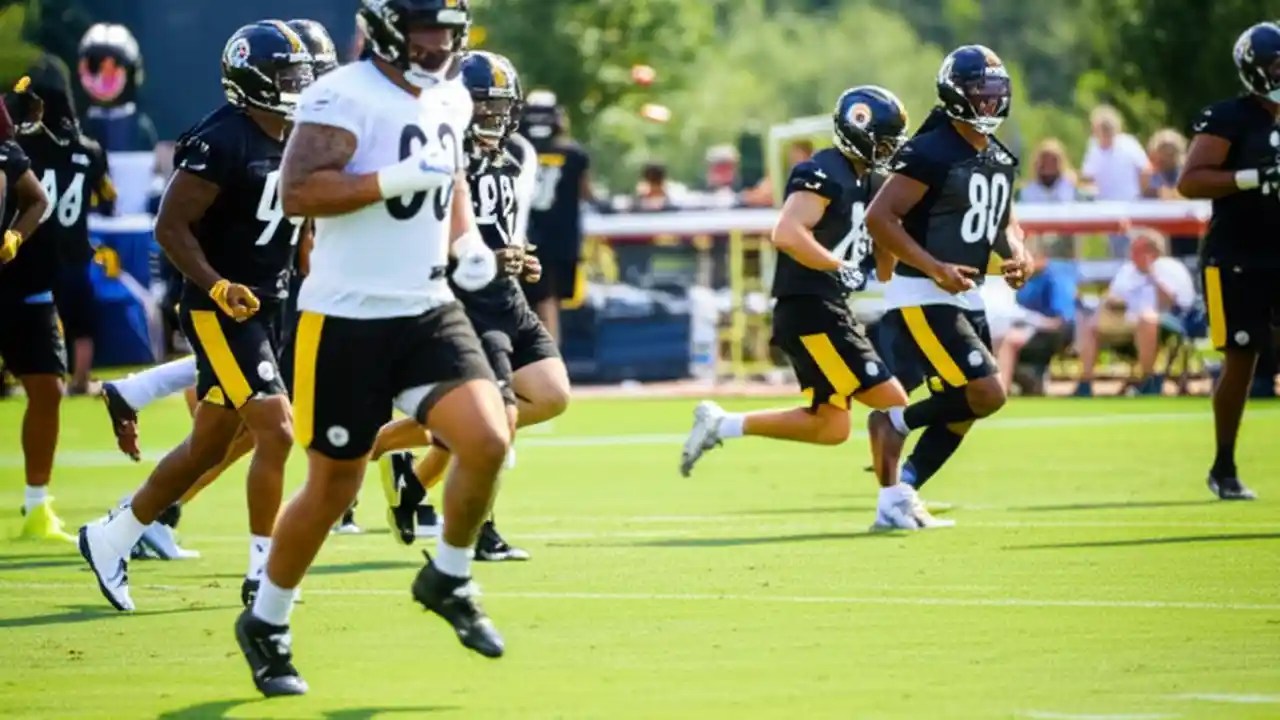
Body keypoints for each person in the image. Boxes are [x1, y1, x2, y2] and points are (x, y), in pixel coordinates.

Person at [234, 0, 510, 697]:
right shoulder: (340, 93)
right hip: (346, 316)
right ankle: (267, 622)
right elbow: (299, 191)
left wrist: (468, 244)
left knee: (487, 438)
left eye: (449, 30)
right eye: (426, 29)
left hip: (426, 305)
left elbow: (446, 185)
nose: (440, 43)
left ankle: (447, 575)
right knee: (335, 485)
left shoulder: (449, 92)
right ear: (388, 29)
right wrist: (390, 181)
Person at [77, 21, 316, 611]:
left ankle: (113, 535)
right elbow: (170, 226)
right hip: (221, 306)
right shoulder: (223, 139)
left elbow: (300, 227)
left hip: (271, 303)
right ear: (251, 78)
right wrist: (217, 283)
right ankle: (264, 570)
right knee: (276, 430)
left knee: (210, 447)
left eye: (299, 75)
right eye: (285, 76)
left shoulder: (297, 135)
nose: (297, 85)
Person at [680, 86, 937, 530]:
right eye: (883, 140)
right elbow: (787, 231)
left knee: (831, 427)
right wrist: (838, 265)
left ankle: (721, 424)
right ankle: (895, 499)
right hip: (809, 308)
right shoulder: (822, 170)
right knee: (892, 402)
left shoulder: (869, 181)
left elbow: (881, 243)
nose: (888, 150)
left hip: (828, 307)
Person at [373, 49, 570, 560]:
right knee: (497, 419)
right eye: (483, 106)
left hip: (505, 299)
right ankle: (478, 532)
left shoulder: (511, 156)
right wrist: (478, 254)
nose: (494, 117)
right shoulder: (438, 154)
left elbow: (503, 230)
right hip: (461, 300)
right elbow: (414, 231)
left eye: (502, 107)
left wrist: (520, 259)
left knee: (550, 394)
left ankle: (408, 478)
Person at [865, 45, 1031, 511]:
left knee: (970, 406)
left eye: (996, 92)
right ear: (956, 94)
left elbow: (1002, 222)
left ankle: (904, 491)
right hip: (923, 290)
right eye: (980, 92)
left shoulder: (997, 156)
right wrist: (933, 267)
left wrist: (1018, 253)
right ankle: (895, 421)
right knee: (987, 393)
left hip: (967, 294)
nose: (990, 102)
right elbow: (881, 218)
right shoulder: (931, 151)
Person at [1176, 20, 1280, 501]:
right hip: (1237, 253)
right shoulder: (1229, 118)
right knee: (1241, 358)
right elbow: (1191, 180)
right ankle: (1224, 464)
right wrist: (1254, 177)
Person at [15, 77, 115, 396]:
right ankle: (81, 379)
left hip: (31, 246)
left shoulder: (25, 145)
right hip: (74, 247)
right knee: (80, 319)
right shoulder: (90, 149)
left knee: (21, 314)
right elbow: (109, 197)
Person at [0, 78, 58, 540]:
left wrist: (15, 237)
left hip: (24, 287)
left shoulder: (7, 151)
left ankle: (38, 506)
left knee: (48, 389)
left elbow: (37, 199)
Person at [1073, 229, 1195, 397]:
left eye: (1138, 251)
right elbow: (1114, 297)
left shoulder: (1171, 268)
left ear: (1153, 252)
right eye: (1132, 250)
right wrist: (1110, 301)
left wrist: (1152, 275)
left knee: (1147, 318)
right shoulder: (1127, 270)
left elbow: (1170, 303)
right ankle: (1085, 383)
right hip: (1127, 320)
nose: (1132, 255)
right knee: (1089, 323)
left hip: (1168, 320)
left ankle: (1148, 380)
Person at [519, 89, 591, 342]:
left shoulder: (515, 150)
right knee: (549, 304)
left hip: (523, 235)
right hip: (561, 238)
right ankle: (550, 360)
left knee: (524, 302)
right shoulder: (574, 153)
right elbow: (586, 193)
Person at [994, 238, 1078, 394]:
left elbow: (1059, 320)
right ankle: (1024, 382)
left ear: (1041, 257)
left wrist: (1032, 322)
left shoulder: (1055, 277)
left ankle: (1001, 390)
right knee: (996, 338)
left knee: (1009, 342)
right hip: (1031, 328)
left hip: (1055, 332)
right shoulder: (1024, 279)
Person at [1019, 138, 1078, 203]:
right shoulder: (1027, 191)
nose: (1048, 164)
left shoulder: (1070, 188)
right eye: (1045, 159)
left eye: (1053, 160)